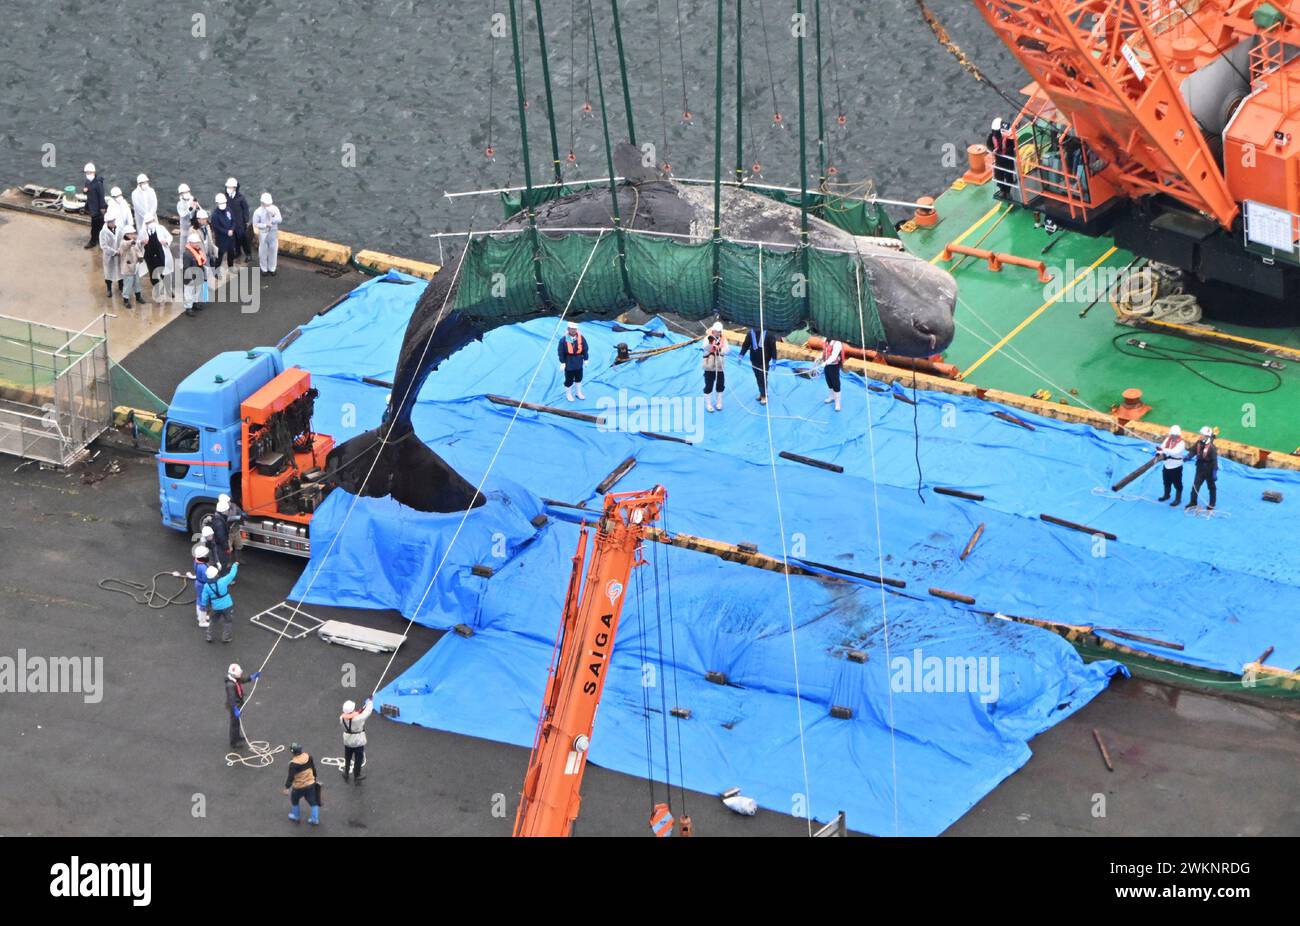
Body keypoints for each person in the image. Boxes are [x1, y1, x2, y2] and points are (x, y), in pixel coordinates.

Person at [198, 561, 239, 643]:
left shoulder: (206, 586)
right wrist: (235, 565)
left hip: (215, 607)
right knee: (228, 622)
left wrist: (204, 606)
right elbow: (232, 574)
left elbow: (204, 598)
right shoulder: (223, 581)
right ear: (216, 574)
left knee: (213, 621)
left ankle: (209, 636)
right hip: (227, 605)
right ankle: (226, 638)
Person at [225, 663, 261, 749]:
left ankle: (237, 737)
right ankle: (234, 742)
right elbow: (231, 699)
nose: (240, 674)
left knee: (237, 723)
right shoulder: (230, 685)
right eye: (239, 673)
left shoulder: (234, 679)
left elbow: (242, 680)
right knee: (234, 724)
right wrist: (235, 709)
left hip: (238, 705)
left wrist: (251, 677)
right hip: (235, 706)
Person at [738, 326, 777, 405]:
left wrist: (774, 360)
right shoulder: (750, 334)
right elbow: (745, 345)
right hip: (754, 360)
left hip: (764, 361)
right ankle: (762, 392)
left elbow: (773, 349)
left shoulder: (769, 335)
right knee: (758, 378)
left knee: (762, 378)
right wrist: (741, 355)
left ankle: (763, 396)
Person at [284, 743, 321, 825]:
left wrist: (287, 787)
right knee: (313, 802)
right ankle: (315, 819)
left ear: (292, 752)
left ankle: (296, 816)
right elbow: (313, 769)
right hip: (310, 784)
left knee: (295, 801)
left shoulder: (293, 764)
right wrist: (314, 779)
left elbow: (291, 776)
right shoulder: (308, 757)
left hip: (299, 787)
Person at [339, 697, 374, 784]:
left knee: (347, 758)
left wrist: (358, 712)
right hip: (357, 742)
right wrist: (370, 702)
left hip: (347, 741)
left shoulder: (341, 718)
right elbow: (367, 712)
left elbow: (352, 716)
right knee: (358, 759)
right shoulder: (358, 718)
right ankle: (357, 775)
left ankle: (346, 773)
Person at [140, 214, 173, 302]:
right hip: (150, 256)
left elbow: (170, 237)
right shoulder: (143, 231)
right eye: (147, 223)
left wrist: (166, 241)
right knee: (153, 275)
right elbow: (138, 242)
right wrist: (141, 242)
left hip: (160, 255)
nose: (149, 224)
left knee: (164, 273)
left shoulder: (161, 228)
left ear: (154, 220)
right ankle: (157, 291)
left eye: (150, 222)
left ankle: (168, 291)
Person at [1186, 426, 1219, 511]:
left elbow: (1215, 461)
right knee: (1195, 486)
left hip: (1209, 470)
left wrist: (1214, 472)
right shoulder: (1199, 443)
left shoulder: (1212, 448)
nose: (1200, 435)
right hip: (1200, 469)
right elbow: (1193, 450)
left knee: (1211, 487)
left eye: (1201, 434)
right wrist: (1188, 456)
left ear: (1206, 436)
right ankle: (1193, 502)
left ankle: (1212, 504)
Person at [1154, 424, 1187, 507]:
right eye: (1171, 434)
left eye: (1173, 435)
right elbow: (1162, 447)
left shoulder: (1181, 443)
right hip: (1167, 465)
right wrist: (1158, 453)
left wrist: (1163, 450)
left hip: (1176, 466)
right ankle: (1166, 495)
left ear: (1177, 435)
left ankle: (1178, 499)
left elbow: (1174, 452)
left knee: (1177, 483)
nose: (1171, 436)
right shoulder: (1168, 439)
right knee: (1166, 481)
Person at [557, 321, 589, 401]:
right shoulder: (564, 339)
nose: (573, 331)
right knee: (569, 380)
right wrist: (562, 362)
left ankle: (578, 393)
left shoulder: (581, 338)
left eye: (575, 329)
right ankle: (568, 394)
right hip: (569, 363)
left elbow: (585, 349)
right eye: (571, 329)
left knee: (579, 378)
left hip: (578, 362)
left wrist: (586, 359)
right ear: (568, 329)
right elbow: (560, 352)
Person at [225, 178, 253, 264]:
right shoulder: (225, 197)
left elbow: (245, 209)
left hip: (240, 224)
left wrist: (246, 220)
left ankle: (248, 254)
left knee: (244, 239)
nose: (228, 189)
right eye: (227, 187)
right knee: (234, 240)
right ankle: (237, 253)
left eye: (230, 187)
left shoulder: (241, 198)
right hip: (230, 224)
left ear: (235, 188)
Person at [253, 192, 282, 274]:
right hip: (263, 233)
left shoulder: (275, 209)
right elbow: (255, 224)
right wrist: (265, 225)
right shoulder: (257, 212)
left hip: (273, 232)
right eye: (267, 204)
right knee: (263, 251)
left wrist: (272, 217)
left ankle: (272, 268)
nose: (269, 205)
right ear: (262, 203)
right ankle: (264, 268)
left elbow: (279, 219)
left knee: (273, 250)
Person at [987, 118, 1016, 201]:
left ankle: (1008, 191)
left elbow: (1012, 146)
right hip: (999, 161)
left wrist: (1005, 152)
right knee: (998, 176)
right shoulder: (991, 137)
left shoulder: (1009, 137)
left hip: (1008, 161)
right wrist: (993, 150)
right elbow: (989, 144)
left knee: (1008, 176)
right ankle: (1002, 190)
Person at [702, 321, 728, 412]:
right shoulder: (707, 338)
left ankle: (719, 402)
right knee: (709, 384)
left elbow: (727, 350)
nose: (718, 333)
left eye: (719, 331)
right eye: (716, 331)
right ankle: (708, 404)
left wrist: (719, 349)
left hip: (719, 364)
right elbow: (705, 349)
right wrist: (711, 345)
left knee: (720, 384)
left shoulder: (723, 339)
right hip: (709, 364)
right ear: (713, 330)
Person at [181, 232, 208, 316]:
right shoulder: (187, 254)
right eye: (195, 242)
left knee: (197, 290)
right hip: (191, 277)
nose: (197, 244)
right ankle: (188, 308)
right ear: (190, 243)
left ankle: (195, 304)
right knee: (189, 292)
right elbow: (186, 267)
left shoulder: (198, 250)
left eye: (198, 242)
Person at [210, 193, 238, 272]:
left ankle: (231, 266)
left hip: (230, 238)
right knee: (219, 256)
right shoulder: (215, 215)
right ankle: (216, 271)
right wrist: (227, 232)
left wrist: (232, 229)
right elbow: (216, 228)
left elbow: (233, 220)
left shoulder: (228, 210)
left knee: (231, 253)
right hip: (221, 239)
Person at [118, 226, 145, 307]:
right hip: (128, 268)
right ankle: (126, 300)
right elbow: (126, 244)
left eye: (134, 233)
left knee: (137, 283)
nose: (133, 234)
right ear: (127, 234)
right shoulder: (123, 243)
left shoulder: (134, 242)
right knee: (128, 284)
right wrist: (132, 242)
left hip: (135, 267)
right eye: (132, 233)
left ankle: (138, 296)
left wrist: (140, 256)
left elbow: (137, 250)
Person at [82, 163, 106, 250]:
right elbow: (86, 190)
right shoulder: (88, 181)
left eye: (89, 173)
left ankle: (93, 241)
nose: (87, 175)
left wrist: (102, 208)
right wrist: (85, 191)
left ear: (93, 172)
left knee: (96, 226)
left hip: (97, 209)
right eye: (86, 173)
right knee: (97, 225)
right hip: (92, 207)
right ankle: (97, 239)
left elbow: (101, 196)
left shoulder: (98, 183)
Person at [188, 543, 212, 630]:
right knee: (204, 602)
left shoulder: (196, 561)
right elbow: (207, 578)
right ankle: (202, 621)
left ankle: (201, 617)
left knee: (199, 600)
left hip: (198, 583)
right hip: (203, 585)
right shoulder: (203, 567)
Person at [819, 337, 845, 412]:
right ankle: (831, 396)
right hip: (827, 365)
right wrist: (820, 358)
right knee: (828, 380)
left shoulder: (837, 343)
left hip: (834, 365)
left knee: (835, 383)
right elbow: (824, 351)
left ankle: (837, 403)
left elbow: (834, 356)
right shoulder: (825, 340)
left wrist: (826, 362)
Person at [98, 216, 120, 298]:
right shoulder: (103, 232)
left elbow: (121, 239)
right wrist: (114, 252)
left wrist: (120, 250)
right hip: (109, 256)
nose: (114, 223)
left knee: (119, 271)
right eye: (112, 222)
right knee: (109, 273)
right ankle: (109, 289)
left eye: (114, 221)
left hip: (119, 254)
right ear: (108, 223)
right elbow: (103, 246)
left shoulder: (118, 229)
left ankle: (121, 286)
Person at [216, 493, 242, 559]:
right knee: (229, 548)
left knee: (239, 545)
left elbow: (239, 512)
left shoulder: (234, 506)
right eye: (228, 502)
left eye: (229, 501)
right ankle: (229, 561)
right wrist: (236, 518)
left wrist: (241, 516)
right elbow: (226, 519)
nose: (229, 502)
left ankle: (238, 559)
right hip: (228, 533)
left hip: (236, 530)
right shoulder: (220, 511)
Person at [175, 184, 197, 250]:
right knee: (183, 245)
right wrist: (191, 208)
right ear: (181, 194)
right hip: (184, 227)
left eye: (187, 192)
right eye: (184, 192)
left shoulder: (192, 199)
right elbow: (183, 214)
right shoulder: (180, 204)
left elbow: (196, 210)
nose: (186, 194)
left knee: (193, 243)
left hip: (193, 226)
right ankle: (182, 258)